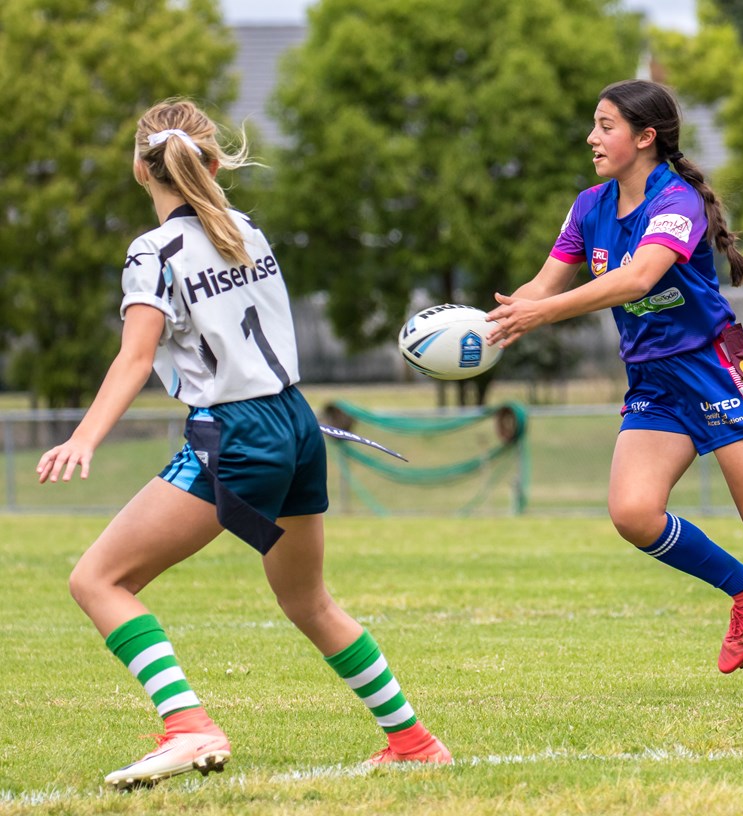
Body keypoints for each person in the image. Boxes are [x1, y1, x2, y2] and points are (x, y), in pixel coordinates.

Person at [36, 99, 451, 792]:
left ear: (142, 169)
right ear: (214, 161)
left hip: (238, 431)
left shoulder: (154, 250)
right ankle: (413, 740)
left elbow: (135, 358)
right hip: (295, 421)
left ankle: (187, 724)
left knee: (98, 580)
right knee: (308, 600)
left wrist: (84, 436)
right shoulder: (246, 229)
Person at [486, 79, 743, 701]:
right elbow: (542, 284)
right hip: (653, 380)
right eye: (594, 125)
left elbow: (637, 277)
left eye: (606, 125)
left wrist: (543, 314)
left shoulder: (677, 201)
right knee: (634, 515)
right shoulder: (588, 205)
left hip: (712, 370)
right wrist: (486, 324)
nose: (592, 137)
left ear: (645, 138)